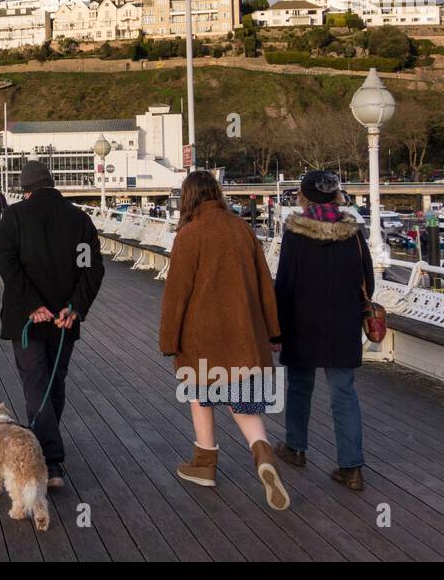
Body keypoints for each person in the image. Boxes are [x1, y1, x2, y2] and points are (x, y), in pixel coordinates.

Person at [158, 170, 289, 511]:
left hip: (200, 338)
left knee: (201, 397)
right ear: (217, 193)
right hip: (244, 336)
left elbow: (177, 295)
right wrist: (274, 332)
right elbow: (264, 284)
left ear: (188, 197)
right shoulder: (242, 229)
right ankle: (262, 452)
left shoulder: (189, 234)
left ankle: (204, 464)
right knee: (244, 403)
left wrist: (169, 339)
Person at [0, 160, 104, 489]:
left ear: (25, 189)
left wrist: (32, 305)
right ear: (53, 183)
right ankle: (48, 452)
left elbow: (8, 265)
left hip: (28, 321)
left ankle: (51, 461)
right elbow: (91, 269)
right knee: (55, 384)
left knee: (36, 385)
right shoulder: (79, 220)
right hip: (64, 321)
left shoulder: (13, 217)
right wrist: (75, 307)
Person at [273, 170, 373, 491]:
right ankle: (351, 466)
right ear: (335, 196)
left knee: (300, 387)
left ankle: (296, 447)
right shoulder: (354, 233)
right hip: (343, 324)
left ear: (303, 197)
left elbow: (285, 284)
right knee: (343, 393)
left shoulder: (295, 233)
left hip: (303, 323)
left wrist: (276, 326)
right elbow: (367, 281)